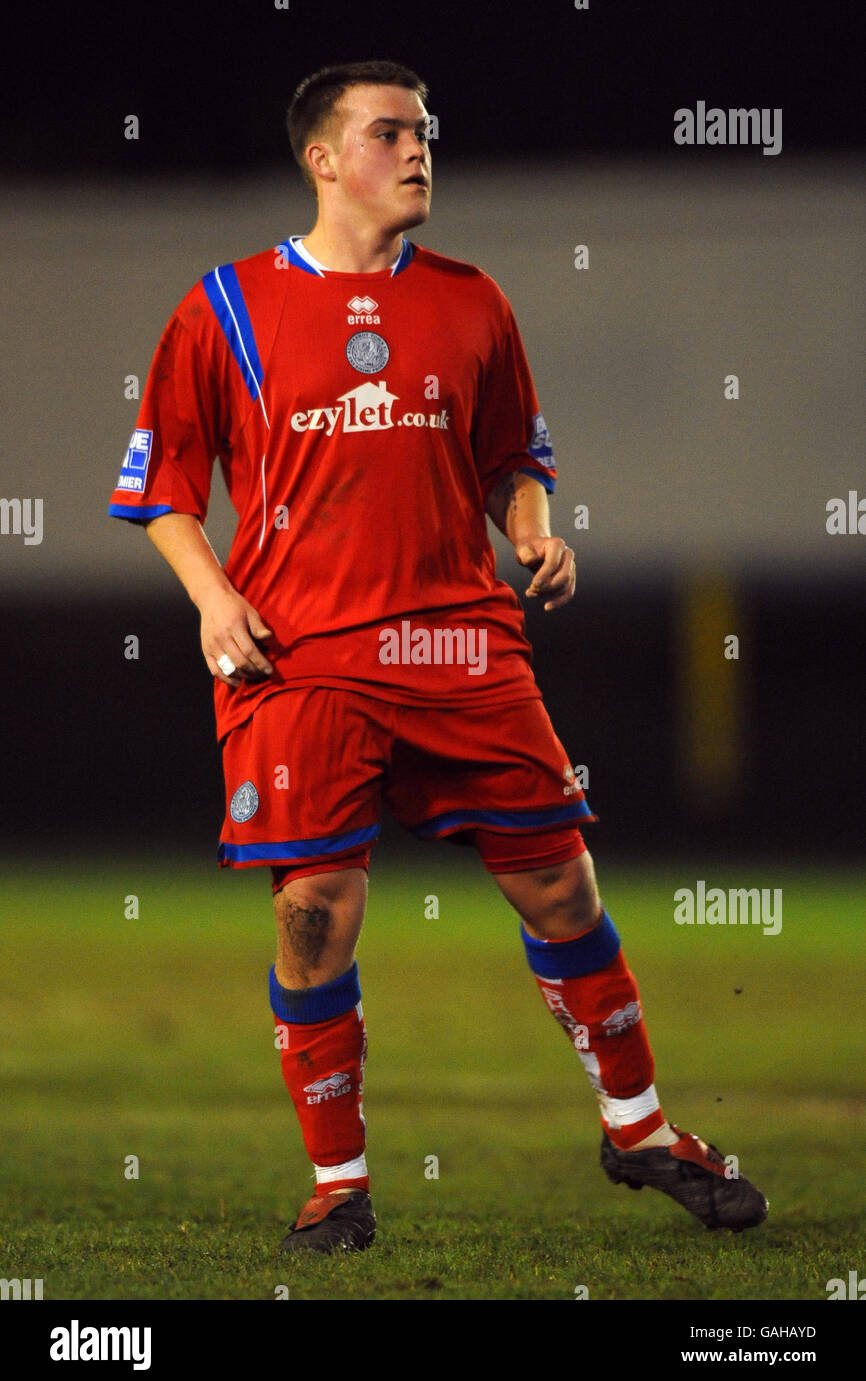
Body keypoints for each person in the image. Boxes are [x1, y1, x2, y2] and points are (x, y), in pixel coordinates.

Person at [109, 59, 768, 1253]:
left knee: (561, 885)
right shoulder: (222, 307)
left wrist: (529, 528)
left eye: (425, 133)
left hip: (463, 641)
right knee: (313, 910)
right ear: (321, 157)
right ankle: (339, 1186)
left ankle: (638, 1131)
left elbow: (513, 453)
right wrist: (210, 599)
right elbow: (160, 485)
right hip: (302, 655)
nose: (418, 151)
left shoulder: (473, 300)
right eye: (389, 133)